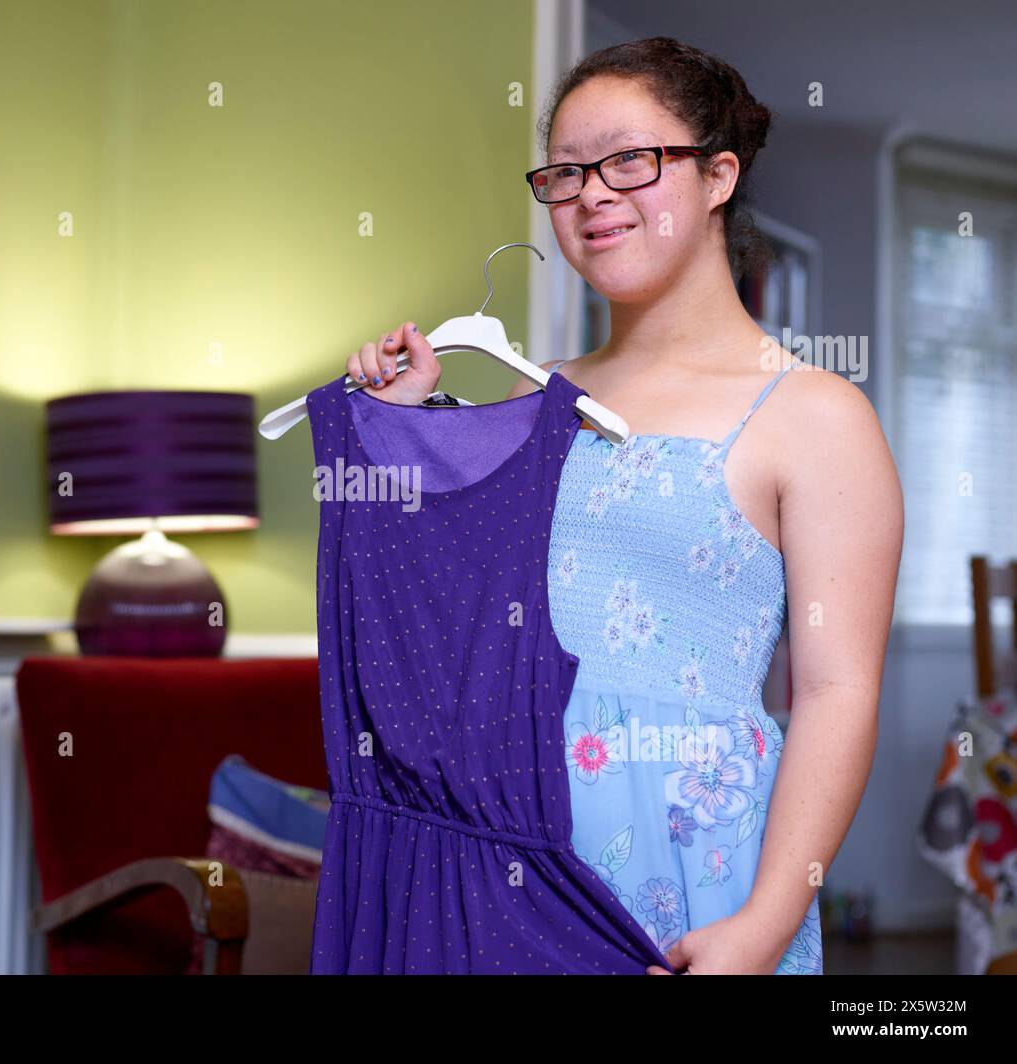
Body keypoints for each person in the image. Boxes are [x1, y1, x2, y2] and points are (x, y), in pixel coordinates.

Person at [342, 36, 903, 974]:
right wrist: (403, 440)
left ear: (718, 175)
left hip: (700, 873)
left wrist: (764, 925)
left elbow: (838, 693)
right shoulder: (520, 404)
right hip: (503, 859)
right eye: (565, 173)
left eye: (629, 161)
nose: (592, 193)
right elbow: (442, 642)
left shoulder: (815, 413)